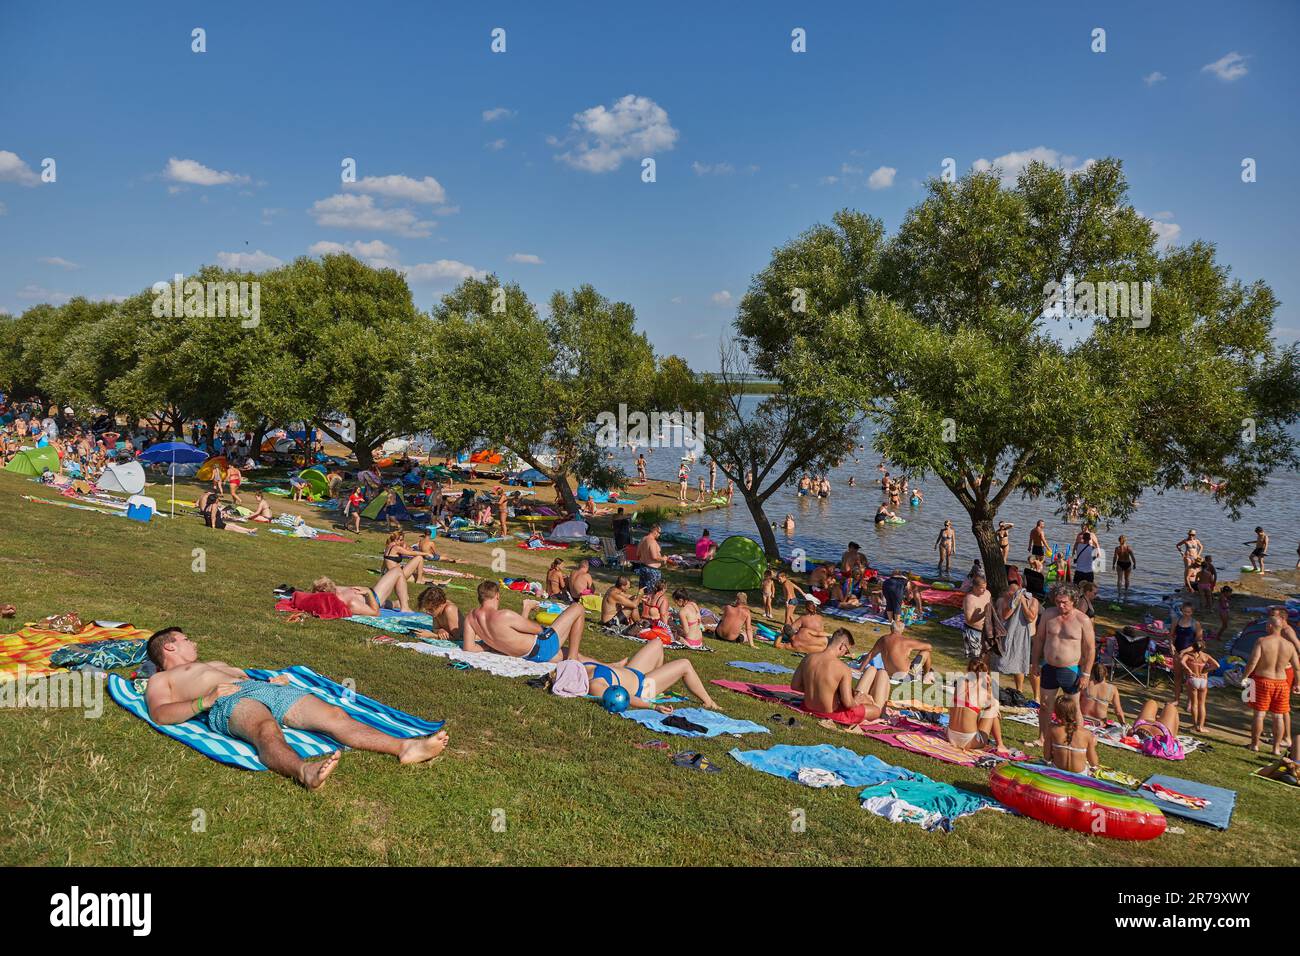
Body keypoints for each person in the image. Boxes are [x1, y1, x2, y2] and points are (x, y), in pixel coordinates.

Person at [144, 628, 447, 789]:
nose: (193, 642)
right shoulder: (163, 679)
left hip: (265, 688)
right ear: (169, 647)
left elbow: (247, 677)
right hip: (228, 701)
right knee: (265, 730)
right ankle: (305, 771)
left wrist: (273, 680)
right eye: (186, 639)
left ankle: (405, 746)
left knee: (335, 716)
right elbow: (160, 714)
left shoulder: (214, 663)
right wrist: (204, 701)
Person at [1030, 583, 1096, 750]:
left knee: (1074, 709)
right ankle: (1042, 739)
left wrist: (1086, 674)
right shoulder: (1048, 614)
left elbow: (1090, 649)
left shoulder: (1083, 620)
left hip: (1070, 669)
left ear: (1073, 600)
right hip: (1049, 666)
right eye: (1058, 601)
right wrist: (1035, 662)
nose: (1060, 605)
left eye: (1064, 602)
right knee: (1045, 706)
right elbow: (1039, 639)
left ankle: (1079, 741)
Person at [462, 580, 589, 663]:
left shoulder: (470, 618)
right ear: (497, 596)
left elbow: (469, 648)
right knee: (577, 608)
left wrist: (489, 645)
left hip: (528, 655)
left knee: (566, 652)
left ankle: (608, 666)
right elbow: (538, 631)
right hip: (542, 647)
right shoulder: (504, 615)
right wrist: (527, 609)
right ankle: (572, 661)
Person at [582, 639, 719, 711]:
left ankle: (657, 685)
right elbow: (624, 697)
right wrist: (653, 706)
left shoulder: (582, 667)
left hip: (633, 671)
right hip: (643, 688)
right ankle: (709, 702)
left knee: (657, 643)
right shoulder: (596, 685)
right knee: (685, 664)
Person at [791, 628, 891, 724]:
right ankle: (881, 711)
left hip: (808, 707)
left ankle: (870, 692)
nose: (844, 654)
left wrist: (819, 692)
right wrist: (856, 701)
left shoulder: (808, 658)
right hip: (834, 714)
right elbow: (848, 704)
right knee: (876, 710)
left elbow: (795, 686)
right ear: (842, 646)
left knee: (872, 670)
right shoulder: (842, 668)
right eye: (846, 651)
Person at [1244, 616, 1299, 754]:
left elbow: (1253, 662)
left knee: (1259, 715)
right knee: (1278, 716)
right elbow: (1297, 668)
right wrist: (1298, 683)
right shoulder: (1289, 645)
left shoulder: (1262, 641)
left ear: (1269, 626)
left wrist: (1245, 676)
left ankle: (1254, 745)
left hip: (1263, 680)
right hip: (1281, 683)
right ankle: (1276, 748)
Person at [947, 656, 1008, 754]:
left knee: (984, 709)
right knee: (993, 709)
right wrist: (990, 686)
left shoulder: (960, 682)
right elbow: (993, 704)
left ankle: (999, 743)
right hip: (969, 741)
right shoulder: (983, 692)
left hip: (950, 735)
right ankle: (1000, 744)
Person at [993, 569, 1038, 694]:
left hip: (1027, 637)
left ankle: (1030, 695)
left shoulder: (1032, 601)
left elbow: (1030, 617)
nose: (1012, 595)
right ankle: (995, 689)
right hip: (1008, 635)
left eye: (1014, 592)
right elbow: (1005, 616)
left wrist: (1022, 602)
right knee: (999, 662)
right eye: (1010, 592)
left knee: (1025, 666)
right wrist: (1013, 603)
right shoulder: (1003, 600)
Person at [312, 563, 414, 615]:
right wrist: (369, 592)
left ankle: (396, 603)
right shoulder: (352, 603)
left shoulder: (335, 591)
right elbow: (375, 612)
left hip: (368, 595)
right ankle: (405, 607)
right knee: (397, 571)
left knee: (395, 603)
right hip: (374, 597)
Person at [1045, 693, 1098, 773]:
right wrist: (1093, 744)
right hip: (1079, 776)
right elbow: (1093, 763)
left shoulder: (1052, 729)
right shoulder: (1086, 734)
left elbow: (1047, 757)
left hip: (1057, 771)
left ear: (1056, 712)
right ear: (1074, 712)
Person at [863, 620, 932, 678]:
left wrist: (860, 669)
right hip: (905, 675)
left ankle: (924, 674)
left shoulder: (883, 639)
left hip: (888, 674)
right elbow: (929, 647)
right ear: (902, 630)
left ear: (891, 628)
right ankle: (926, 676)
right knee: (926, 652)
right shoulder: (906, 641)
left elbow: (870, 655)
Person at [1179, 639, 1216, 734]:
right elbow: (1217, 665)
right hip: (1203, 680)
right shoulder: (1206, 656)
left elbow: (1182, 661)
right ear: (1204, 648)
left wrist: (1188, 670)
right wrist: (1206, 670)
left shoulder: (1189, 656)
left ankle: (1195, 725)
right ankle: (1201, 726)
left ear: (1193, 647)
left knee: (1194, 704)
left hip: (1193, 679)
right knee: (1202, 704)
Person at [1170, 601, 1203, 706]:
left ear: (1192, 612)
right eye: (1184, 611)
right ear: (1181, 610)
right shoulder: (1176, 620)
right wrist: (1171, 645)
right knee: (1177, 677)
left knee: (1190, 678)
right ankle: (1176, 699)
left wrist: (1186, 651)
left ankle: (1190, 701)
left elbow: (1199, 642)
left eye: (1188, 612)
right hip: (1177, 652)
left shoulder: (1196, 624)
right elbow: (1171, 635)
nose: (1186, 614)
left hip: (1190, 653)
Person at [960, 572, 992, 660]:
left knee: (986, 657)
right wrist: (983, 613)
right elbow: (969, 620)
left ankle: (985, 674)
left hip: (986, 630)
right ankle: (973, 674)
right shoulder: (969, 599)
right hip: (973, 631)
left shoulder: (987, 593)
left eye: (985, 588)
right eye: (981, 588)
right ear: (974, 587)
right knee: (976, 659)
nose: (984, 590)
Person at [634, 524, 664, 592]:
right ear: (655, 531)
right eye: (659, 533)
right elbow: (654, 557)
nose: (659, 535)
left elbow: (637, 554)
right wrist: (663, 559)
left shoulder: (643, 539)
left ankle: (641, 602)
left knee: (642, 591)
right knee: (652, 592)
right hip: (652, 570)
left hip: (643, 568)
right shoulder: (652, 541)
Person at [1112, 535, 1136, 599]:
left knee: (1119, 579)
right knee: (1127, 578)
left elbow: (1115, 557)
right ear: (1125, 540)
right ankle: (1126, 591)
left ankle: (1119, 592)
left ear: (1119, 541)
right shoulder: (1128, 548)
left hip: (1120, 563)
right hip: (1127, 563)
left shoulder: (1117, 548)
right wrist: (1134, 564)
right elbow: (1133, 557)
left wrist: (1113, 565)